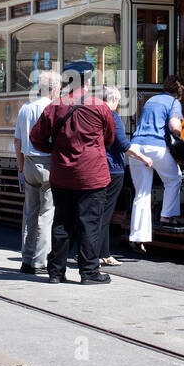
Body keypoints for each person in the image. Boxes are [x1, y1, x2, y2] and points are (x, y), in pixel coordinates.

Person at [30, 65, 114, 284]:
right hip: (92, 176)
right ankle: (89, 273)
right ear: (88, 82)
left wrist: (56, 151)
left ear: (67, 82)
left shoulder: (54, 107)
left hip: (62, 174)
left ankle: (56, 273)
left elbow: (36, 139)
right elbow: (110, 138)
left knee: (61, 222)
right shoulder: (99, 106)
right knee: (90, 224)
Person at [128, 75, 184, 252]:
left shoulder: (152, 99)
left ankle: (138, 237)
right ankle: (166, 216)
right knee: (174, 178)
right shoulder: (173, 102)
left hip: (136, 147)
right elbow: (174, 126)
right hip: (156, 147)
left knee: (142, 193)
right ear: (179, 93)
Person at [97, 85, 151, 266]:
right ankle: (102, 254)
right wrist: (143, 158)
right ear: (112, 100)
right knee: (105, 214)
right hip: (112, 169)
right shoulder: (112, 117)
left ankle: (92, 252)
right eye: (118, 101)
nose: (118, 104)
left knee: (97, 212)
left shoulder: (93, 114)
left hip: (95, 167)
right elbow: (122, 144)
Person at [14, 69, 60, 275]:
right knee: (46, 213)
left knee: (30, 213)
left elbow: (17, 141)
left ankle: (26, 258)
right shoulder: (53, 108)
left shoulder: (25, 108)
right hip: (47, 163)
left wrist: (21, 168)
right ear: (54, 89)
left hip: (29, 163)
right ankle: (40, 261)